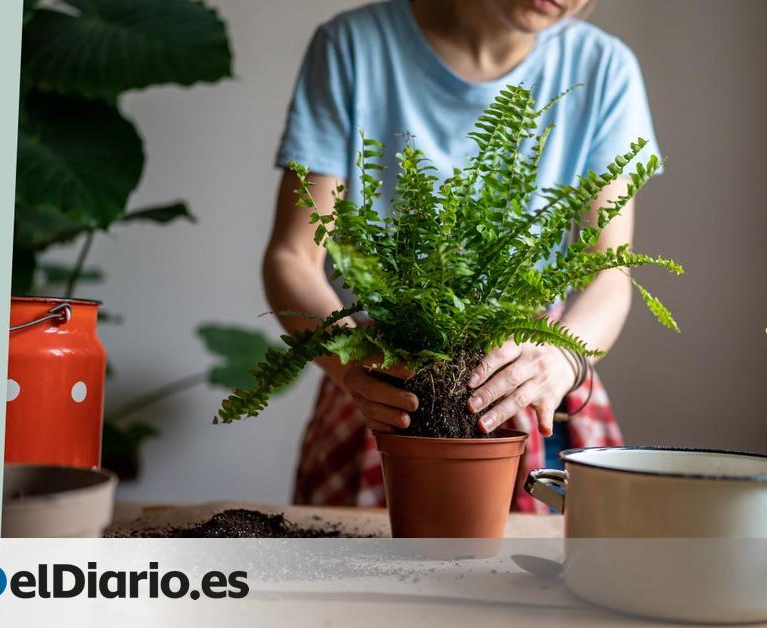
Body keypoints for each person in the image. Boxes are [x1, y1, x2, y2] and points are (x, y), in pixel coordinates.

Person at [264, 0, 660, 511]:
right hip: (387, 384)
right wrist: (350, 362)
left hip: (532, 383)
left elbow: (610, 277)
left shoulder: (604, 70)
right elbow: (292, 255)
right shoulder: (355, 48)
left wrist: (562, 358)